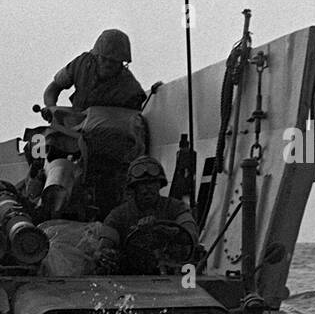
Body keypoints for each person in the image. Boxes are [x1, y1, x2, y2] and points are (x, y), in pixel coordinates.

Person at [40, 28, 147, 215]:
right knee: (39, 143)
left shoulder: (130, 90)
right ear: (95, 56)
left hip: (102, 143)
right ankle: (41, 195)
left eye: (113, 62)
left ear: (123, 64)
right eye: (103, 58)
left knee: (107, 177)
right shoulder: (80, 64)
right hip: (72, 128)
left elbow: (131, 129)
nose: (107, 64)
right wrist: (51, 109)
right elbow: (52, 89)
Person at [83, 156, 198, 274]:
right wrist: (104, 256)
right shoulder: (118, 215)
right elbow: (103, 248)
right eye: (142, 184)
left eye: (152, 182)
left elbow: (191, 235)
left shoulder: (176, 207)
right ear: (134, 188)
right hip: (132, 277)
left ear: (160, 184)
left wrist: (164, 231)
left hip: (173, 271)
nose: (148, 188)